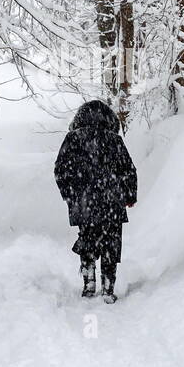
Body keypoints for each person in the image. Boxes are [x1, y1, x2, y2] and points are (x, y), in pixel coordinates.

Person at [54, 100, 138, 303]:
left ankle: (89, 283)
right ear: (109, 119)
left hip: (84, 202)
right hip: (112, 202)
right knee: (111, 243)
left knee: (88, 241)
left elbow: (60, 169)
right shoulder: (114, 140)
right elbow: (128, 170)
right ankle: (108, 288)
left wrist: (70, 195)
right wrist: (129, 196)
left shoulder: (73, 138)